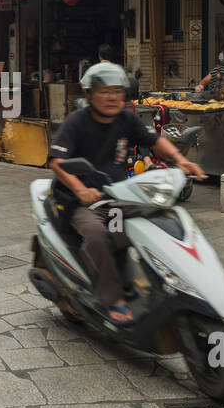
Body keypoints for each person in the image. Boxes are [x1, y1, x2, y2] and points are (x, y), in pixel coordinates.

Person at [48, 64, 206, 325]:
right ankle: (111, 299)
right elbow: (55, 160)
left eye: (117, 91)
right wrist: (80, 189)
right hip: (81, 203)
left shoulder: (125, 118)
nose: (112, 97)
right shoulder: (76, 122)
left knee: (156, 222)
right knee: (99, 236)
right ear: (90, 94)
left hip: (116, 197)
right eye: (105, 92)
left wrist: (180, 159)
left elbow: (154, 141)